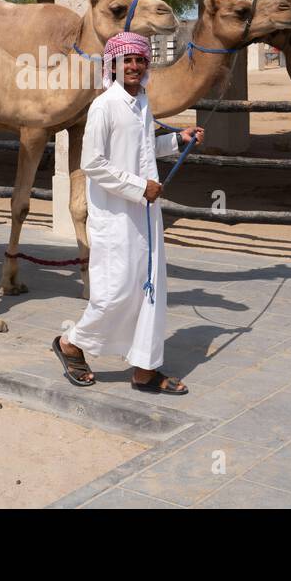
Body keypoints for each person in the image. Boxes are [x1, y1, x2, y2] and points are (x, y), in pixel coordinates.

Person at [52, 31, 203, 395]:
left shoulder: (142, 103)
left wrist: (177, 140)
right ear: (113, 66)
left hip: (146, 218)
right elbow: (92, 163)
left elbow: (145, 149)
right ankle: (71, 343)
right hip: (116, 216)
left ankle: (145, 369)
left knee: (150, 292)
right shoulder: (104, 106)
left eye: (140, 60)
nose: (134, 66)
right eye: (127, 60)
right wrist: (139, 188)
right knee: (115, 293)